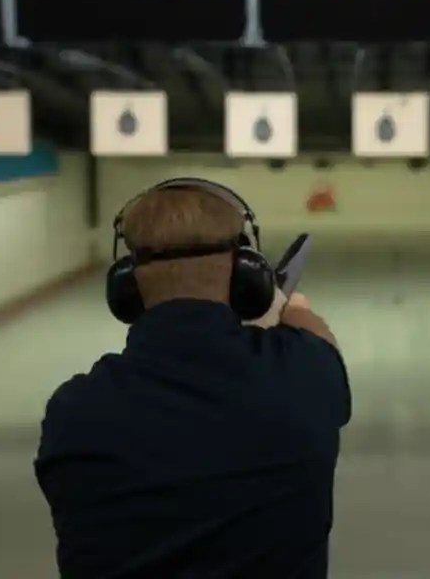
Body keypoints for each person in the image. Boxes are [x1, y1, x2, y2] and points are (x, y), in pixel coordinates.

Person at [34, 180, 351, 579]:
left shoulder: (73, 413)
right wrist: (283, 305)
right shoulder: (307, 376)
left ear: (126, 284)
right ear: (245, 275)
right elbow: (318, 337)